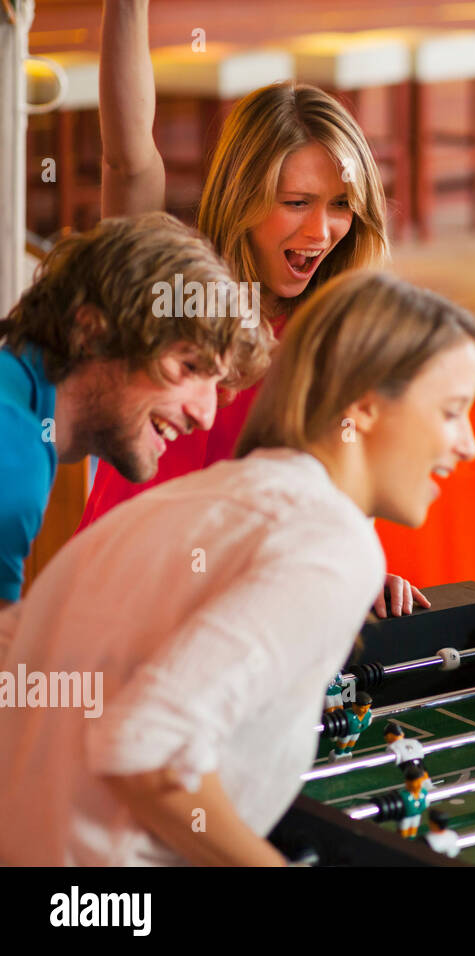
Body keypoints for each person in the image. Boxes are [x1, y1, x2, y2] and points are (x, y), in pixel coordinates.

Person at [0, 271, 475, 865]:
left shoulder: (222, 495)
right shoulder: (334, 542)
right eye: (452, 411)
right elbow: (144, 747)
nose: (469, 445)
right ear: (363, 405)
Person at [86, 1, 423, 617]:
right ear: (242, 194)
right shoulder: (172, 288)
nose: (322, 231)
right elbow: (127, 159)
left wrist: (366, 568)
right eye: (296, 201)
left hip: (239, 611)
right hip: (125, 599)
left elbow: (333, 496)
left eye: (342, 205)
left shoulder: (336, 330)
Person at [0, 212, 270, 606]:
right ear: (92, 331)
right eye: (188, 366)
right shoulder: (17, 456)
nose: (206, 415)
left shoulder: (23, 416)